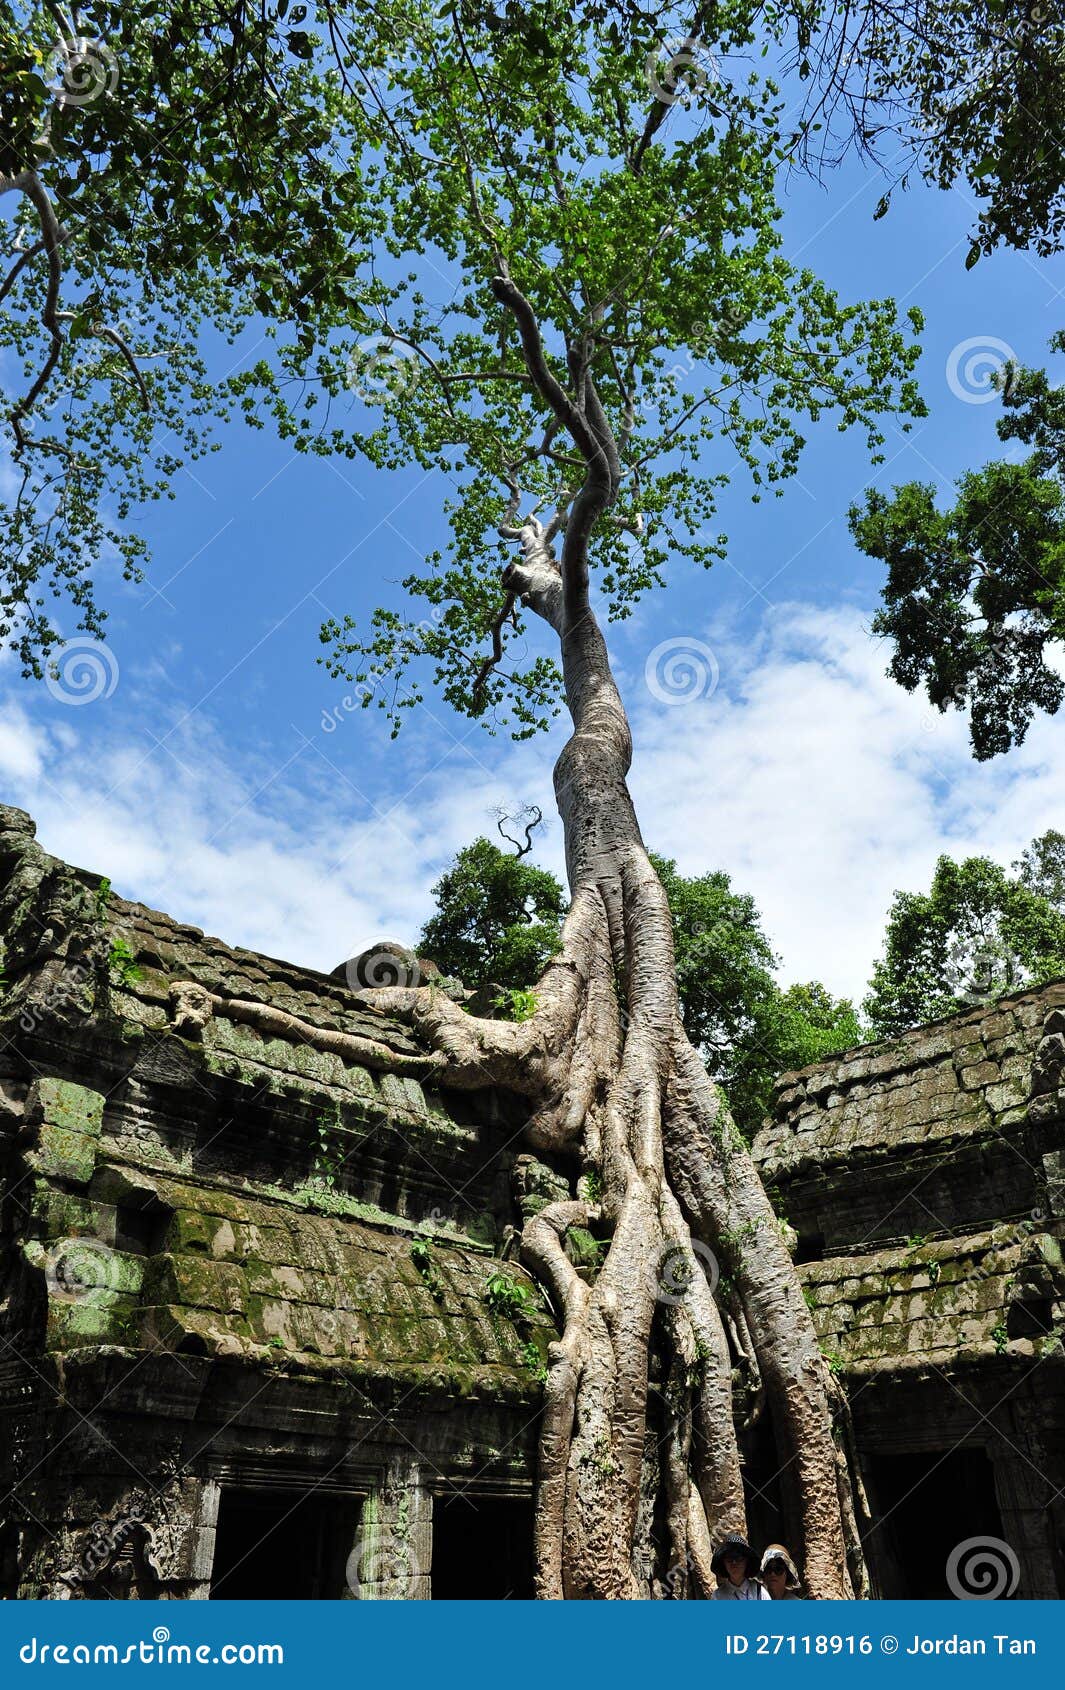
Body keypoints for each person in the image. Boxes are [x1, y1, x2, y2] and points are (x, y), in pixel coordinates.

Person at [709, 1532, 771, 1600]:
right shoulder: (717, 1597)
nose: (734, 1563)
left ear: (746, 1561)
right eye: (729, 1559)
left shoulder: (759, 1591)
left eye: (738, 1558)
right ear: (723, 1563)